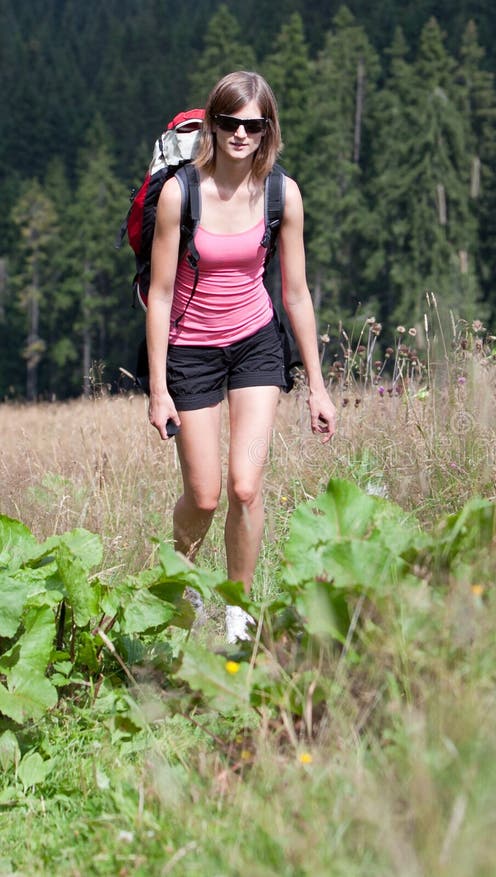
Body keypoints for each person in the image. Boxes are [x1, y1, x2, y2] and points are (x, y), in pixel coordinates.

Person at [146, 70, 336, 642]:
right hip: (191, 354)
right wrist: (158, 389)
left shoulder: (283, 193)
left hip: (256, 347)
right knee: (204, 496)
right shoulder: (181, 193)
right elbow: (158, 296)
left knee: (245, 486)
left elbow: (295, 294)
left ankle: (238, 616)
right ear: (213, 121)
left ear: (266, 130)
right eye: (229, 121)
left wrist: (319, 386)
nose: (240, 133)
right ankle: (180, 582)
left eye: (252, 125)